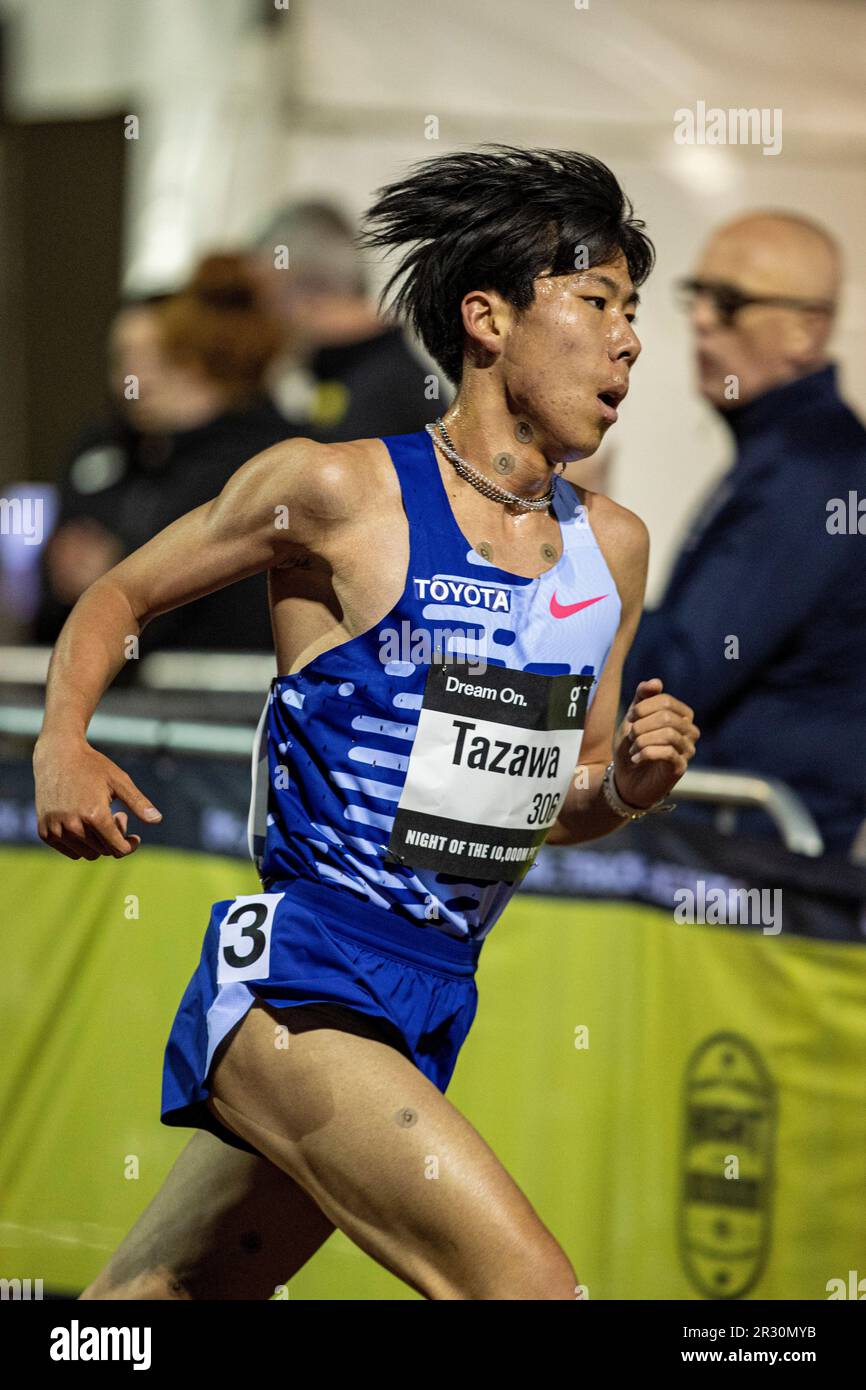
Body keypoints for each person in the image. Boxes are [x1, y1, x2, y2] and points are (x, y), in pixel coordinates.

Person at [33, 145, 699, 1301]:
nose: (628, 339)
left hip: (435, 994)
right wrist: (63, 741)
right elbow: (118, 595)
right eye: (595, 303)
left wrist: (629, 786)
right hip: (303, 978)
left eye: (633, 311)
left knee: (156, 1307)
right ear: (485, 319)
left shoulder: (614, 551)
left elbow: (560, 802)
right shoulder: (337, 489)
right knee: (528, 1292)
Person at [623, 211, 866, 856]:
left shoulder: (813, 474)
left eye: (729, 303)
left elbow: (680, 675)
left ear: (806, 330)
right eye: (696, 295)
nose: (701, 319)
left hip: (757, 863)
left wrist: (572, 563)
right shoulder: (788, 456)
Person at [249, 199, 446, 438]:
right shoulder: (361, 370)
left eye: (263, 299)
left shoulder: (380, 392)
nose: (259, 319)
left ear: (306, 294)